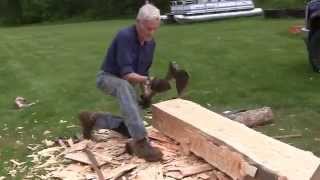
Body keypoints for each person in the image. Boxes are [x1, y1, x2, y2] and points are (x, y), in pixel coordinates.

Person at [79, 3, 163, 162]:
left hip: (128, 83)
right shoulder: (125, 36)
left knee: (130, 123)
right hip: (107, 77)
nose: (151, 33)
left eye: (154, 29)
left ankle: (93, 119)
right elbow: (126, 74)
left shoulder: (151, 44)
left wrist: (146, 93)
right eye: (148, 28)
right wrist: (149, 80)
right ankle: (140, 143)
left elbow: (142, 73)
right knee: (124, 87)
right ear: (138, 22)